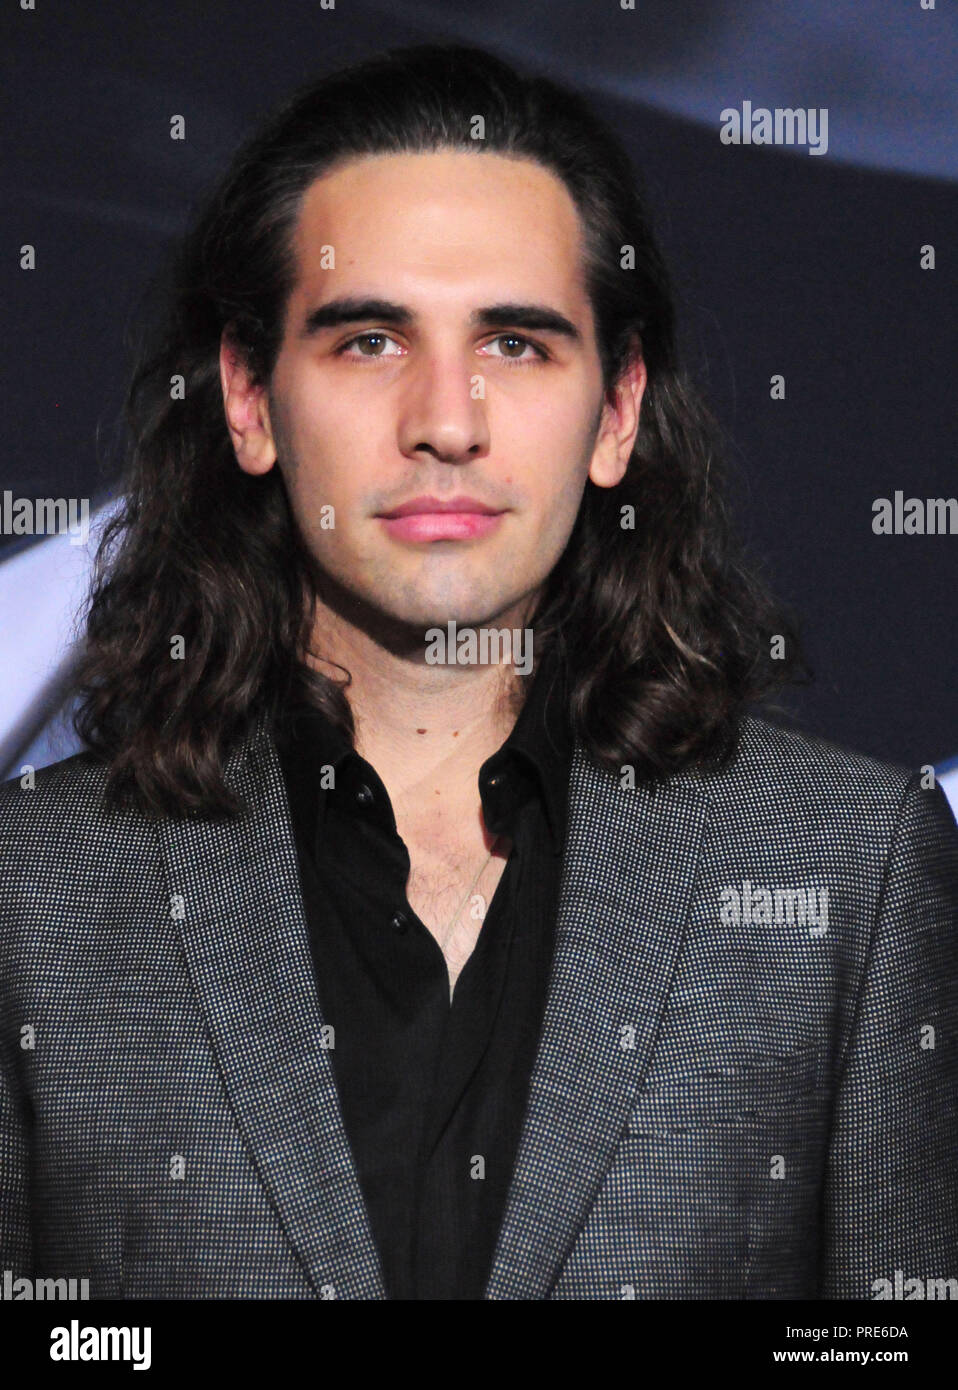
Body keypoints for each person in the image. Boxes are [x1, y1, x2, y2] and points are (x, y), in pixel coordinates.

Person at [1, 43, 955, 1303]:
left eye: (513, 343)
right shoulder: (31, 893)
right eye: (367, 341)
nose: (445, 420)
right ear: (248, 397)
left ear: (617, 412)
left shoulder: (850, 871)